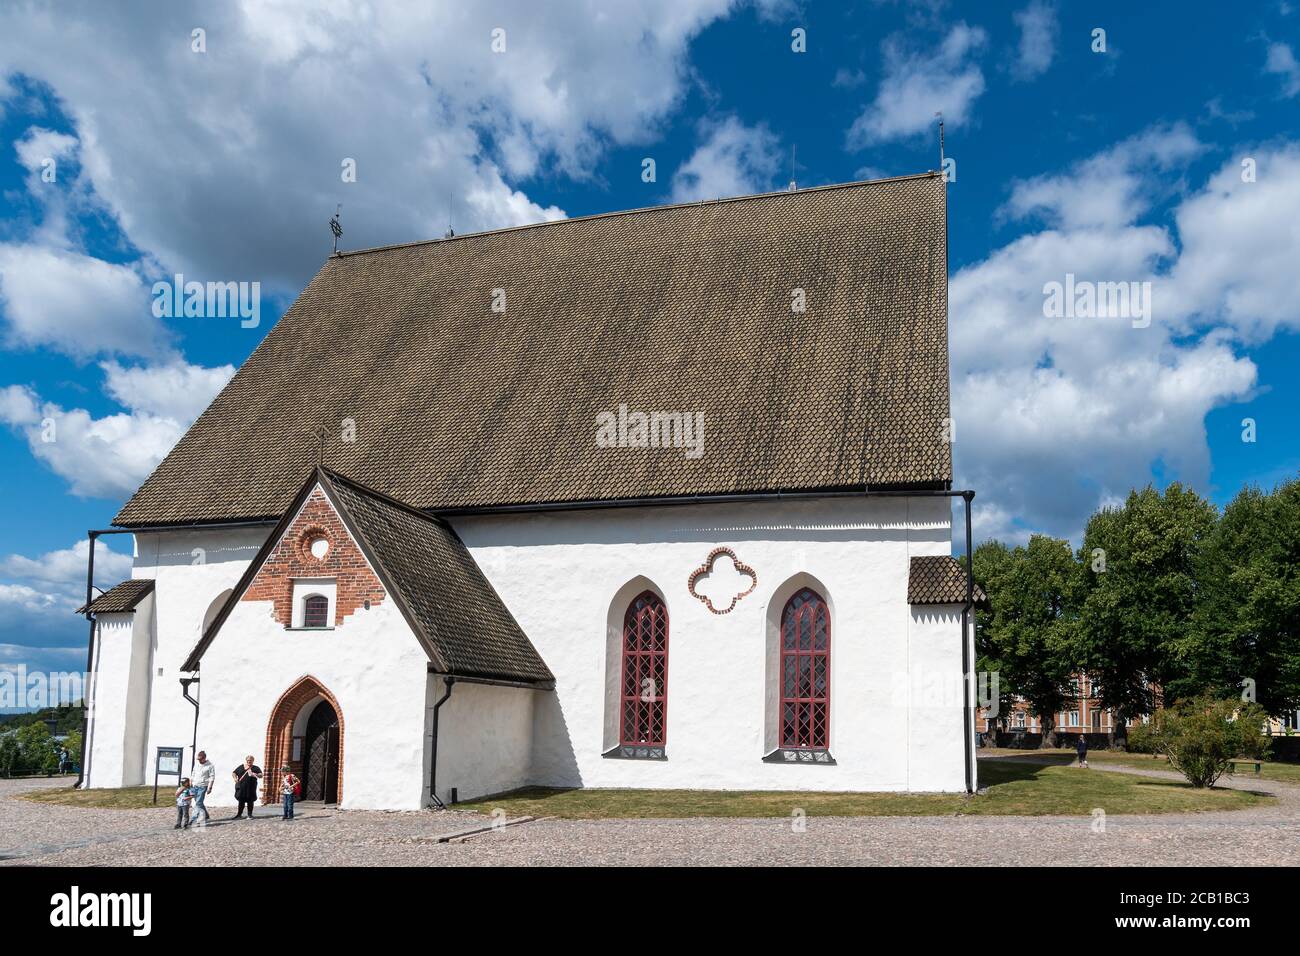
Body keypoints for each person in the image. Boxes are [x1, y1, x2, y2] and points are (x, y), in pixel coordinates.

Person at [191, 750, 215, 825]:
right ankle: (206, 815)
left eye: (200, 759)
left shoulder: (210, 766)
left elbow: (212, 777)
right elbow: (193, 773)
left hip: (203, 786)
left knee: (198, 803)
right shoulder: (197, 764)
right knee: (199, 802)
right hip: (195, 785)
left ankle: (194, 818)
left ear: (204, 758)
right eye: (198, 759)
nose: (199, 761)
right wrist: (190, 782)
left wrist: (210, 787)